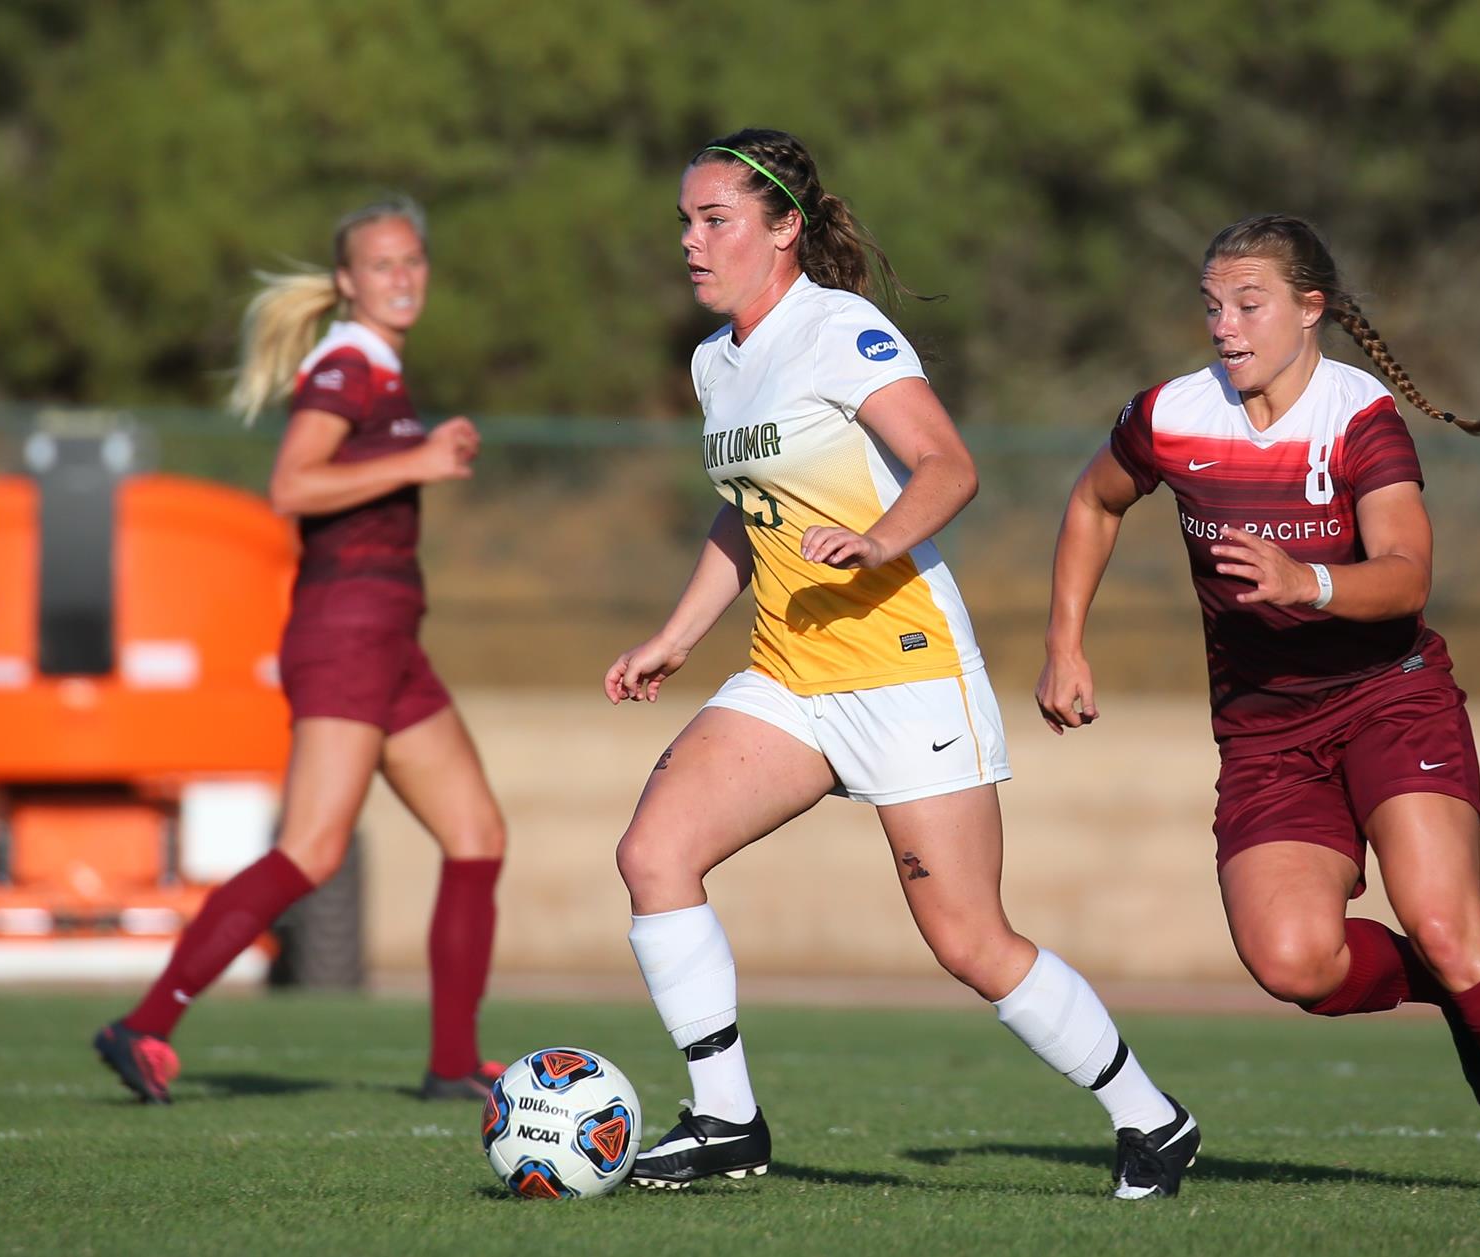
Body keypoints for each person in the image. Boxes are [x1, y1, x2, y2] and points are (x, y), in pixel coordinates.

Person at [606, 128, 1196, 1199]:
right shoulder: (713, 363)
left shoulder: (840, 330)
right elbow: (747, 516)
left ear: (783, 229)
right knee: (653, 856)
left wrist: (880, 540)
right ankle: (726, 1122)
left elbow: (946, 466)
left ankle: (1151, 1120)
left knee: (969, 941)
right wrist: (677, 634)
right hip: (788, 677)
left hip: (905, 674)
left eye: (715, 221)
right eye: (684, 223)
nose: (690, 243)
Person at [1038, 213, 1480, 1198]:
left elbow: (1404, 574)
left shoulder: (1357, 417)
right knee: (1294, 963)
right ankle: (1456, 998)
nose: (1223, 326)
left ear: (1309, 310)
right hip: (1263, 732)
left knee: (1445, 922)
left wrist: (1305, 582)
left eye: (1247, 304)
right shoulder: (1172, 414)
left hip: (1387, 700)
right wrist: (1064, 644)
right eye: (1210, 306)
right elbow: (1093, 503)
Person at [92, 198, 508, 1104]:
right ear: (348, 282)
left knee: (476, 835)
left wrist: (421, 453)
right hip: (344, 632)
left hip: (393, 635)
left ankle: (450, 1063)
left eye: (413, 261)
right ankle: (144, 1024)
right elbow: (292, 484)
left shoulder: (382, 370)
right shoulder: (346, 365)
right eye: (382, 265)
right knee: (312, 849)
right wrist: (420, 461)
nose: (403, 277)